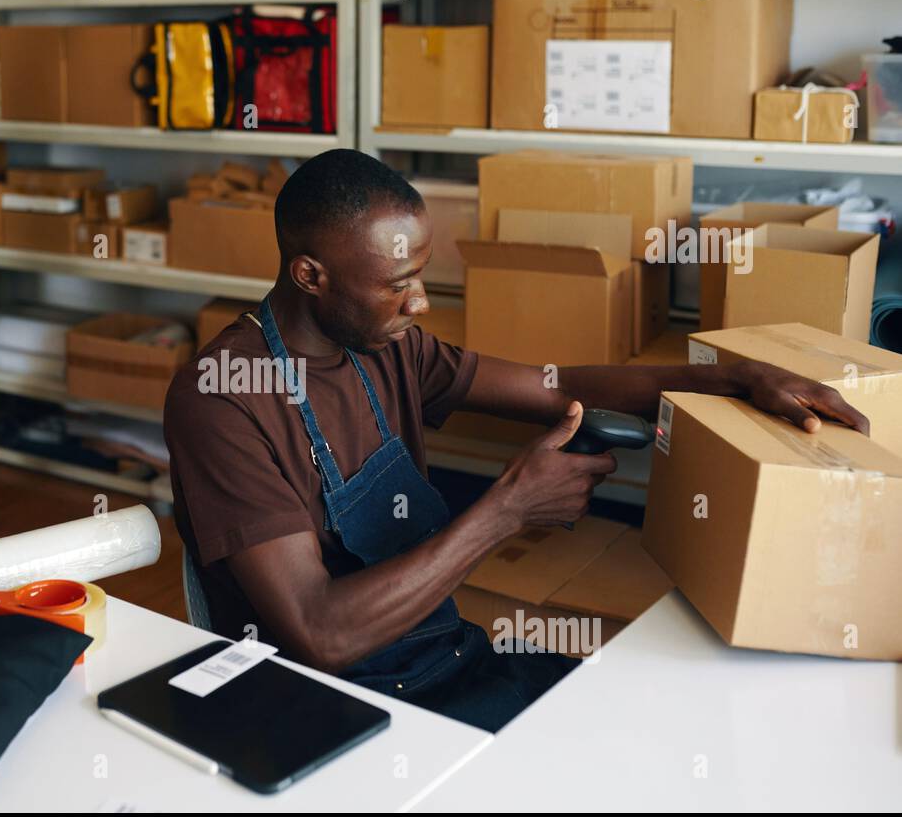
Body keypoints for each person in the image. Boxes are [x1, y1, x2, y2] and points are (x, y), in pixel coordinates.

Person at [163, 148, 870, 733]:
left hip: (445, 660)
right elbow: (319, 635)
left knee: (656, 723)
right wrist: (505, 510)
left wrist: (731, 378)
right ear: (310, 275)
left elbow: (555, 385)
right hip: (337, 710)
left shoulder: (385, 348)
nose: (421, 304)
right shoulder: (224, 399)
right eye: (398, 285)